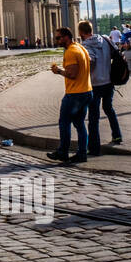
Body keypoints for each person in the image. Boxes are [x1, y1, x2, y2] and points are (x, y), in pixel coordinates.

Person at [48, 26, 92, 163]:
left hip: (75, 94)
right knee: (79, 123)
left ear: (66, 37)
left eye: (58, 38)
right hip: (86, 91)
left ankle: (63, 152)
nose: (56, 41)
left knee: (64, 123)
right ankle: (82, 154)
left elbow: (72, 74)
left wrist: (59, 71)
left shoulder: (71, 52)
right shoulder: (80, 47)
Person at [78, 20, 122, 154]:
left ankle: (94, 147)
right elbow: (116, 52)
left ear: (81, 32)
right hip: (109, 81)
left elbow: (91, 61)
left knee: (93, 117)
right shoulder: (104, 39)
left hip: (95, 84)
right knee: (109, 109)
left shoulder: (85, 45)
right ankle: (117, 135)